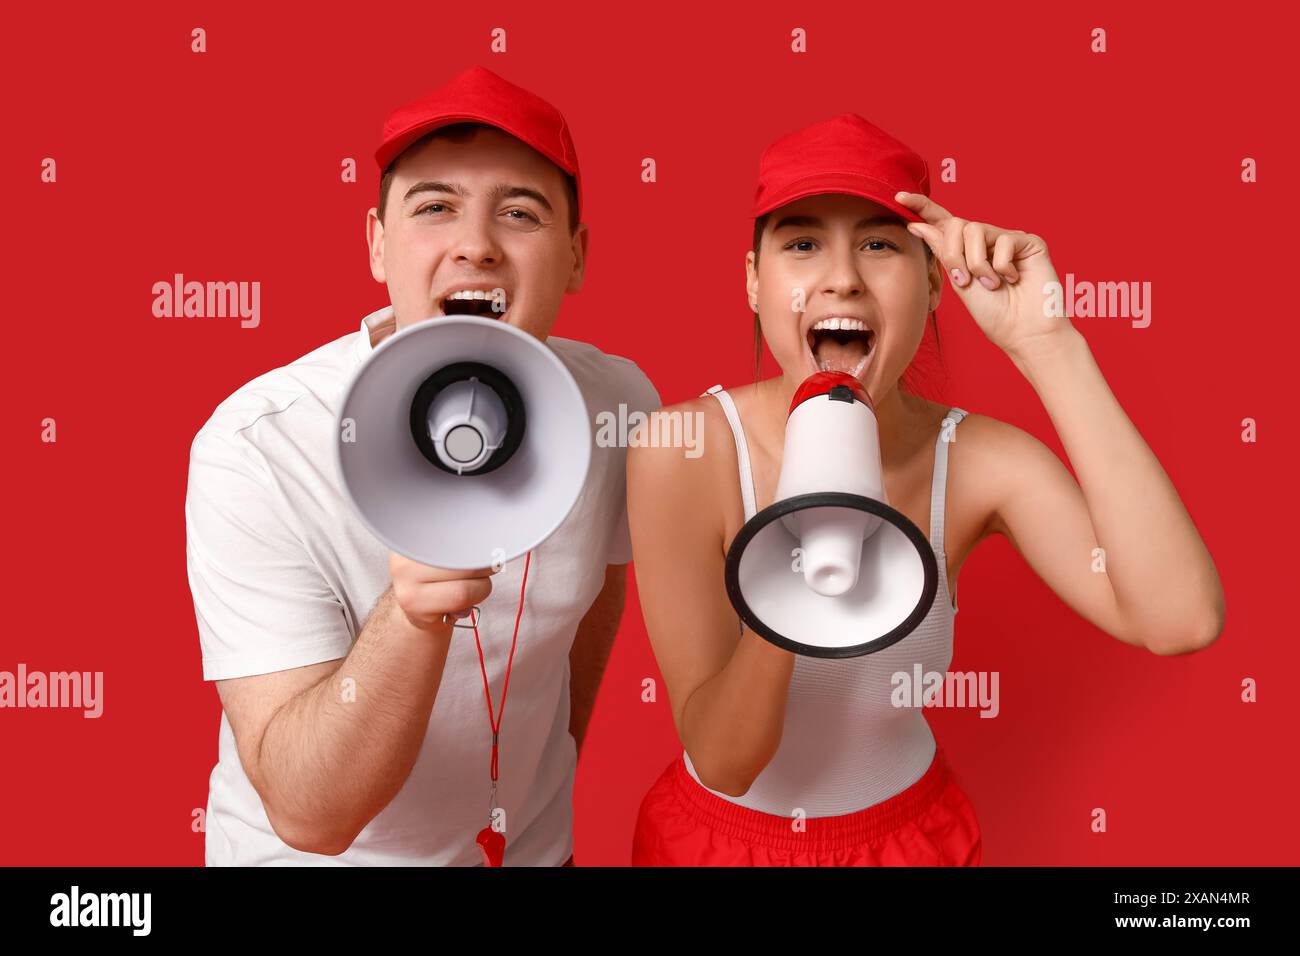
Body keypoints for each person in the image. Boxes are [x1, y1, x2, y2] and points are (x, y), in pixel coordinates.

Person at [628, 113, 1224, 866]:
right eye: (802, 243)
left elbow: (1182, 619)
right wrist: (803, 542)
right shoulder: (683, 450)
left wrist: (1047, 345)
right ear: (753, 281)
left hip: (909, 843)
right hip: (719, 846)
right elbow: (725, 761)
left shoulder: (978, 461)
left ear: (935, 281)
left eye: (880, 243)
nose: (842, 276)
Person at [185, 65, 659, 866]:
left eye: (520, 213)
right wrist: (411, 619)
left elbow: (594, 596)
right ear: (376, 243)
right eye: (435, 208)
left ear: (576, 258)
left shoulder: (616, 405)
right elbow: (311, 815)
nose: (475, 244)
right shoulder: (256, 448)